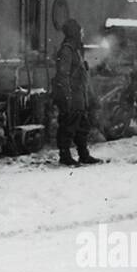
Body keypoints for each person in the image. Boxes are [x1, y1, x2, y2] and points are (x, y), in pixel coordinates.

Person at [53, 18, 100, 165]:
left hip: (79, 93)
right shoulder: (67, 50)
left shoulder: (76, 50)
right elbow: (63, 75)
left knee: (82, 126)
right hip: (72, 94)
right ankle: (65, 156)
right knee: (68, 126)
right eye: (80, 30)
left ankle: (83, 154)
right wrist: (67, 97)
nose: (82, 33)